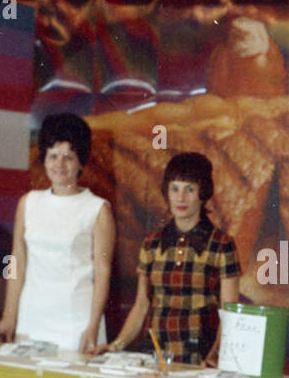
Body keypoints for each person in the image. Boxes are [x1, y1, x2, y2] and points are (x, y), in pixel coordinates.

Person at [98, 151, 240, 366]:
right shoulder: (152, 243)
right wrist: (116, 345)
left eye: (189, 189)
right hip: (154, 354)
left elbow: (230, 313)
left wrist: (215, 356)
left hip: (199, 358)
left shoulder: (222, 244)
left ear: (204, 193)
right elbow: (141, 306)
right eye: (174, 188)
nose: (180, 197)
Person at [0, 112, 113, 354]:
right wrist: (8, 316)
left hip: (76, 323)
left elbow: (102, 272)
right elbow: (17, 261)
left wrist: (93, 327)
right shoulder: (28, 203)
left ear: (81, 162)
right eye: (53, 155)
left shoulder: (98, 209)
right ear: (43, 158)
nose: (59, 164)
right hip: (30, 320)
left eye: (68, 157)